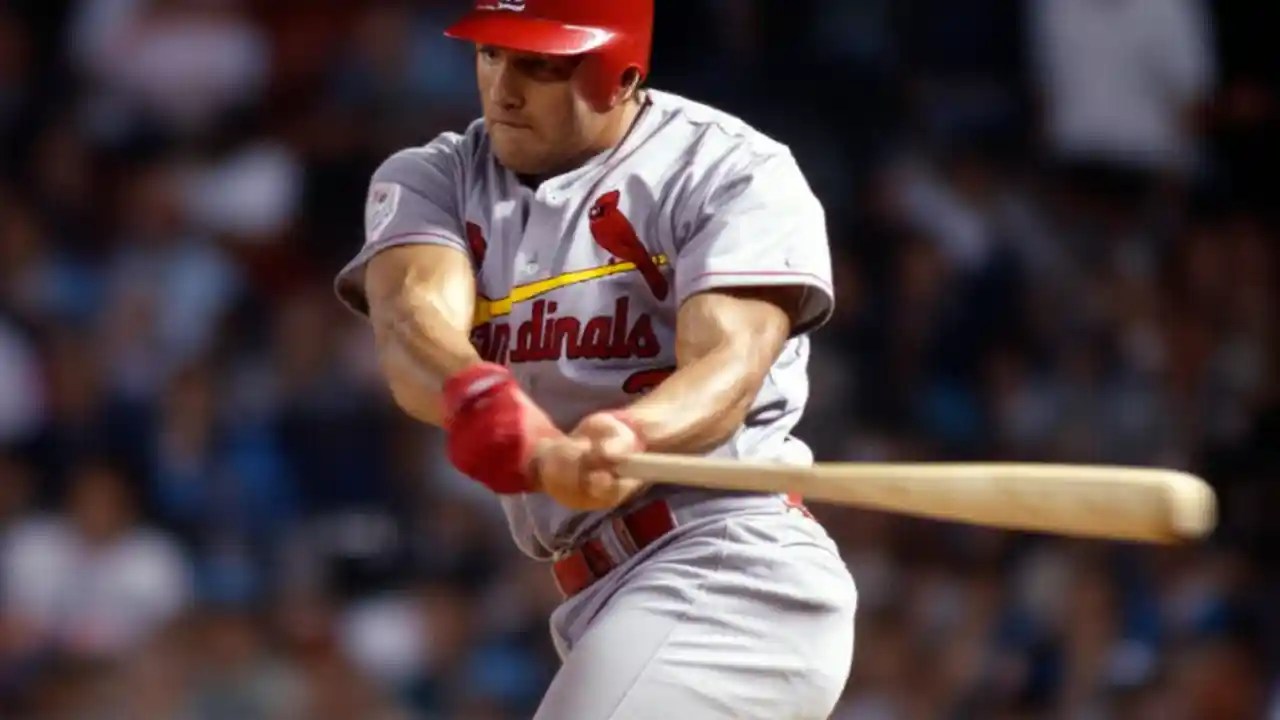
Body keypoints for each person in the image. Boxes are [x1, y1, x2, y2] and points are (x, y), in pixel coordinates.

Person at [333, 1, 856, 717]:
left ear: (621, 74)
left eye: (541, 65)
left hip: (728, 567)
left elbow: (731, 364)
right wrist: (486, 400)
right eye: (492, 55)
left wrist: (634, 434)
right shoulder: (439, 175)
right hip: (604, 594)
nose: (504, 88)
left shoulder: (728, 167)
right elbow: (412, 319)